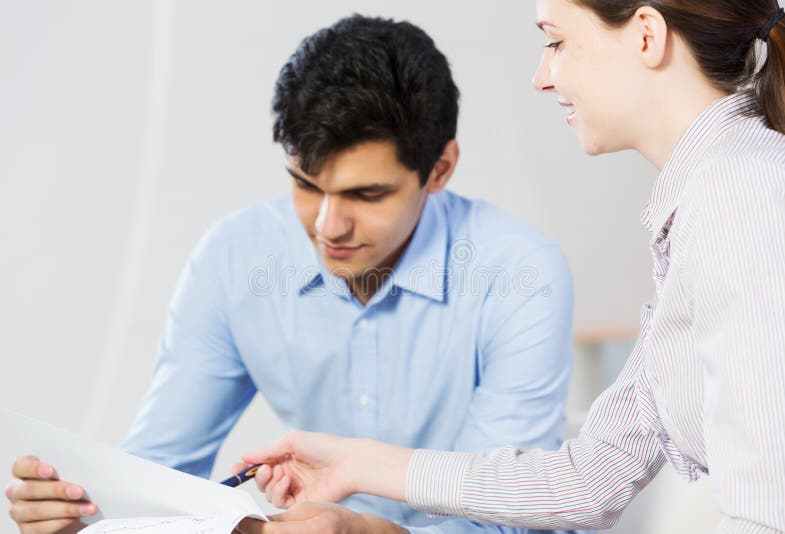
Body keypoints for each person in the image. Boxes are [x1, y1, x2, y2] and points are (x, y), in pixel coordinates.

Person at [231, 1, 785, 532]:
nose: (541, 77)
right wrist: (356, 465)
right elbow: (590, 478)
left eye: (556, 42)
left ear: (647, 35)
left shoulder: (742, 196)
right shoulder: (715, 192)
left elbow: (772, 515)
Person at [5, 14, 576, 534]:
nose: (328, 226)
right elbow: (159, 471)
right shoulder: (235, 257)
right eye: (305, 184)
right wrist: (89, 511)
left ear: (440, 169)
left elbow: (508, 517)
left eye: (366, 194)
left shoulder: (518, 273)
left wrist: (363, 533)